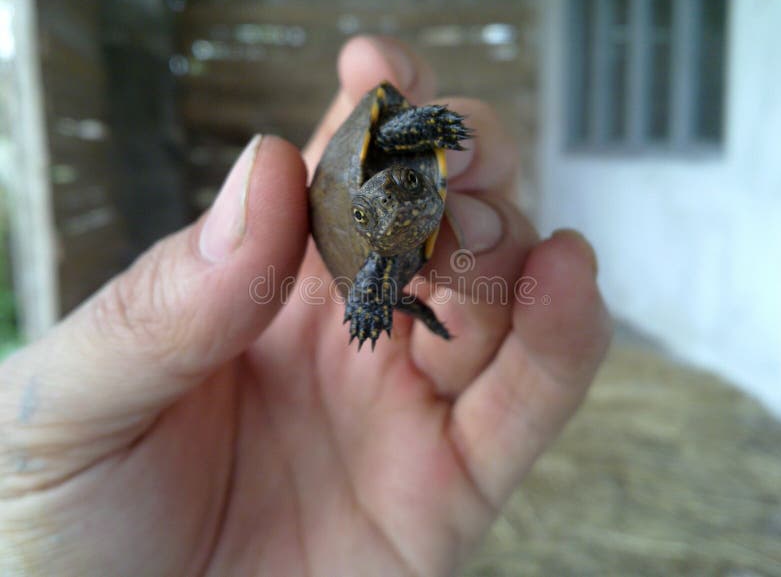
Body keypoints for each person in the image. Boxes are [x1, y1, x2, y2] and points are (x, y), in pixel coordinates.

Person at [0, 37, 611, 576]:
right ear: (373, 212)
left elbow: (405, 131)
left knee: (463, 222)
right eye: (392, 189)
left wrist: (437, 135)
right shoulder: (377, 261)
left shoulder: (394, 160)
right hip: (370, 248)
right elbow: (376, 278)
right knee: (409, 276)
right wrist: (391, 301)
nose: (401, 188)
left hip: (379, 203)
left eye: (401, 184)